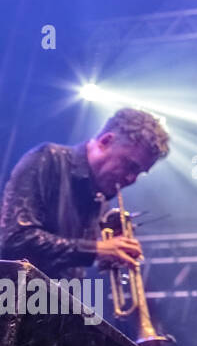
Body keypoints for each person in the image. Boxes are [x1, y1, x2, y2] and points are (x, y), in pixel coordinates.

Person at [0, 108, 169, 280]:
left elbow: (67, 265)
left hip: (52, 302)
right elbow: (15, 238)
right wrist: (96, 249)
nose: (132, 179)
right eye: (130, 165)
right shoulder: (48, 159)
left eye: (140, 172)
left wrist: (109, 258)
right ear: (106, 140)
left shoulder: (101, 201)